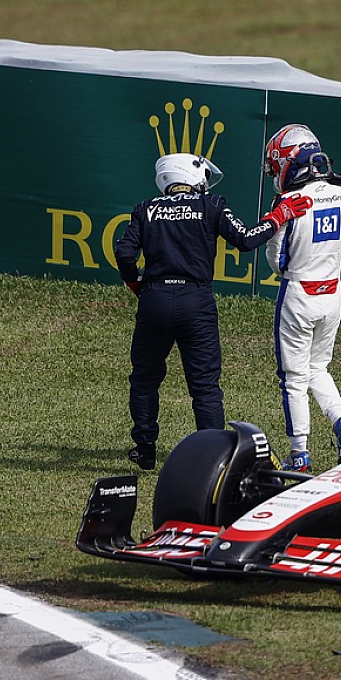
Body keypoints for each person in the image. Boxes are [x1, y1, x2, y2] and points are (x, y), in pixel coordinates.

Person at [115, 152, 313, 470]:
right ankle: (213, 458)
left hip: (154, 299)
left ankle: (145, 448)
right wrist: (279, 217)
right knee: (205, 384)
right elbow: (246, 240)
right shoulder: (211, 205)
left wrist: (135, 283)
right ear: (190, 175)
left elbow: (124, 252)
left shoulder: (145, 209)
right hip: (196, 302)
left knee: (144, 378)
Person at [262, 124, 341, 472]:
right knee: (319, 368)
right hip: (333, 290)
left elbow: (276, 260)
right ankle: (340, 422)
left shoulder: (287, 202)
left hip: (299, 291)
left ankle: (299, 454)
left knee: (294, 378)